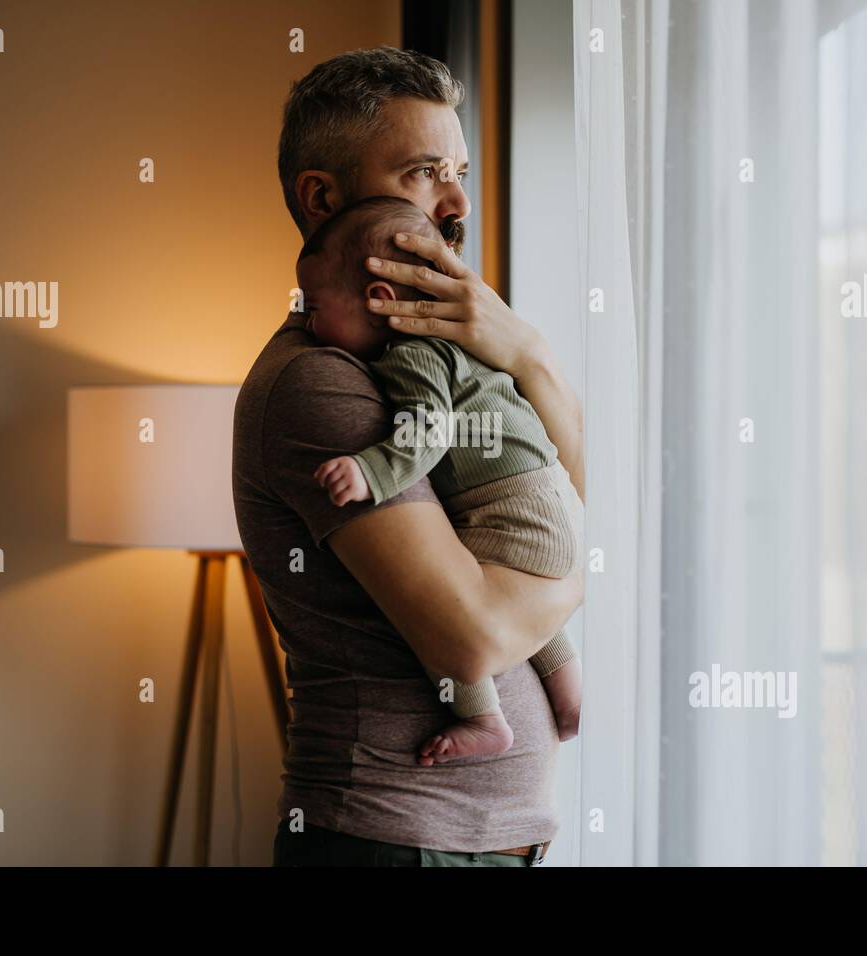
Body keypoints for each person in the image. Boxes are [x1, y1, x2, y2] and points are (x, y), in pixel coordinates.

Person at [233, 47, 584, 867]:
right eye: (426, 171)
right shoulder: (322, 382)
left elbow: (606, 499)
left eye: (458, 170)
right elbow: (474, 639)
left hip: (467, 846)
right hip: (393, 842)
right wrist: (583, 561)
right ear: (322, 198)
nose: (458, 201)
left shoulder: (455, 356)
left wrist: (528, 353)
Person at [297, 195, 583, 765]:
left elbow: (426, 428)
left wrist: (368, 470)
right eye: (428, 172)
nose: (305, 318)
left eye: (312, 304)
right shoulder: (464, 345)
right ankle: (570, 694)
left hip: (512, 505)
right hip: (549, 500)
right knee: (520, 593)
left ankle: (482, 716)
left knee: (441, 612)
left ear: (379, 298)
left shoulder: (409, 352)